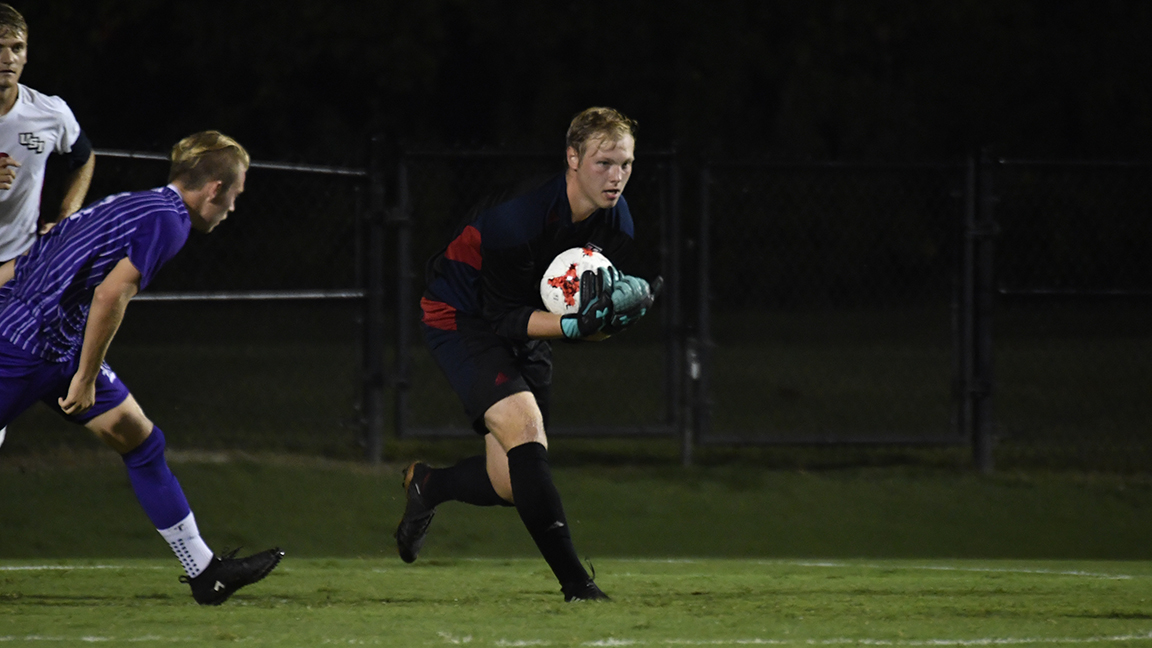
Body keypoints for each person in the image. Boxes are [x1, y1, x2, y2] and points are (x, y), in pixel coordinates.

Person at [0, 131, 283, 606]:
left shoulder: (136, 204)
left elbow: (39, 255)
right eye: (235, 195)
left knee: (142, 441)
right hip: (23, 344)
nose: (233, 207)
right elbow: (110, 296)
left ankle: (205, 573)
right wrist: (86, 378)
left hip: (54, 341)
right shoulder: (168, 222)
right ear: (214, 188)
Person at [395, 106, 660, 602]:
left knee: (511, 482)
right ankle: (578, 586)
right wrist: (579, 323)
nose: (617, 175)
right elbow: (502, 318)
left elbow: (580, 323)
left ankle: (428, 486)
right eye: (604, 162)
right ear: (572, 158)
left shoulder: (616, 224)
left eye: (625, 163)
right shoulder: (517, 219)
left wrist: (611, 321)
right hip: (461, 315)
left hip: (525, 325)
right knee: (526, 431)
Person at [0, 3, 96, 449]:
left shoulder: (49, 113)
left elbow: (83, 157)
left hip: (16, 275)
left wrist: (68, 213)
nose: (7, 58)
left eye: (16, 47)